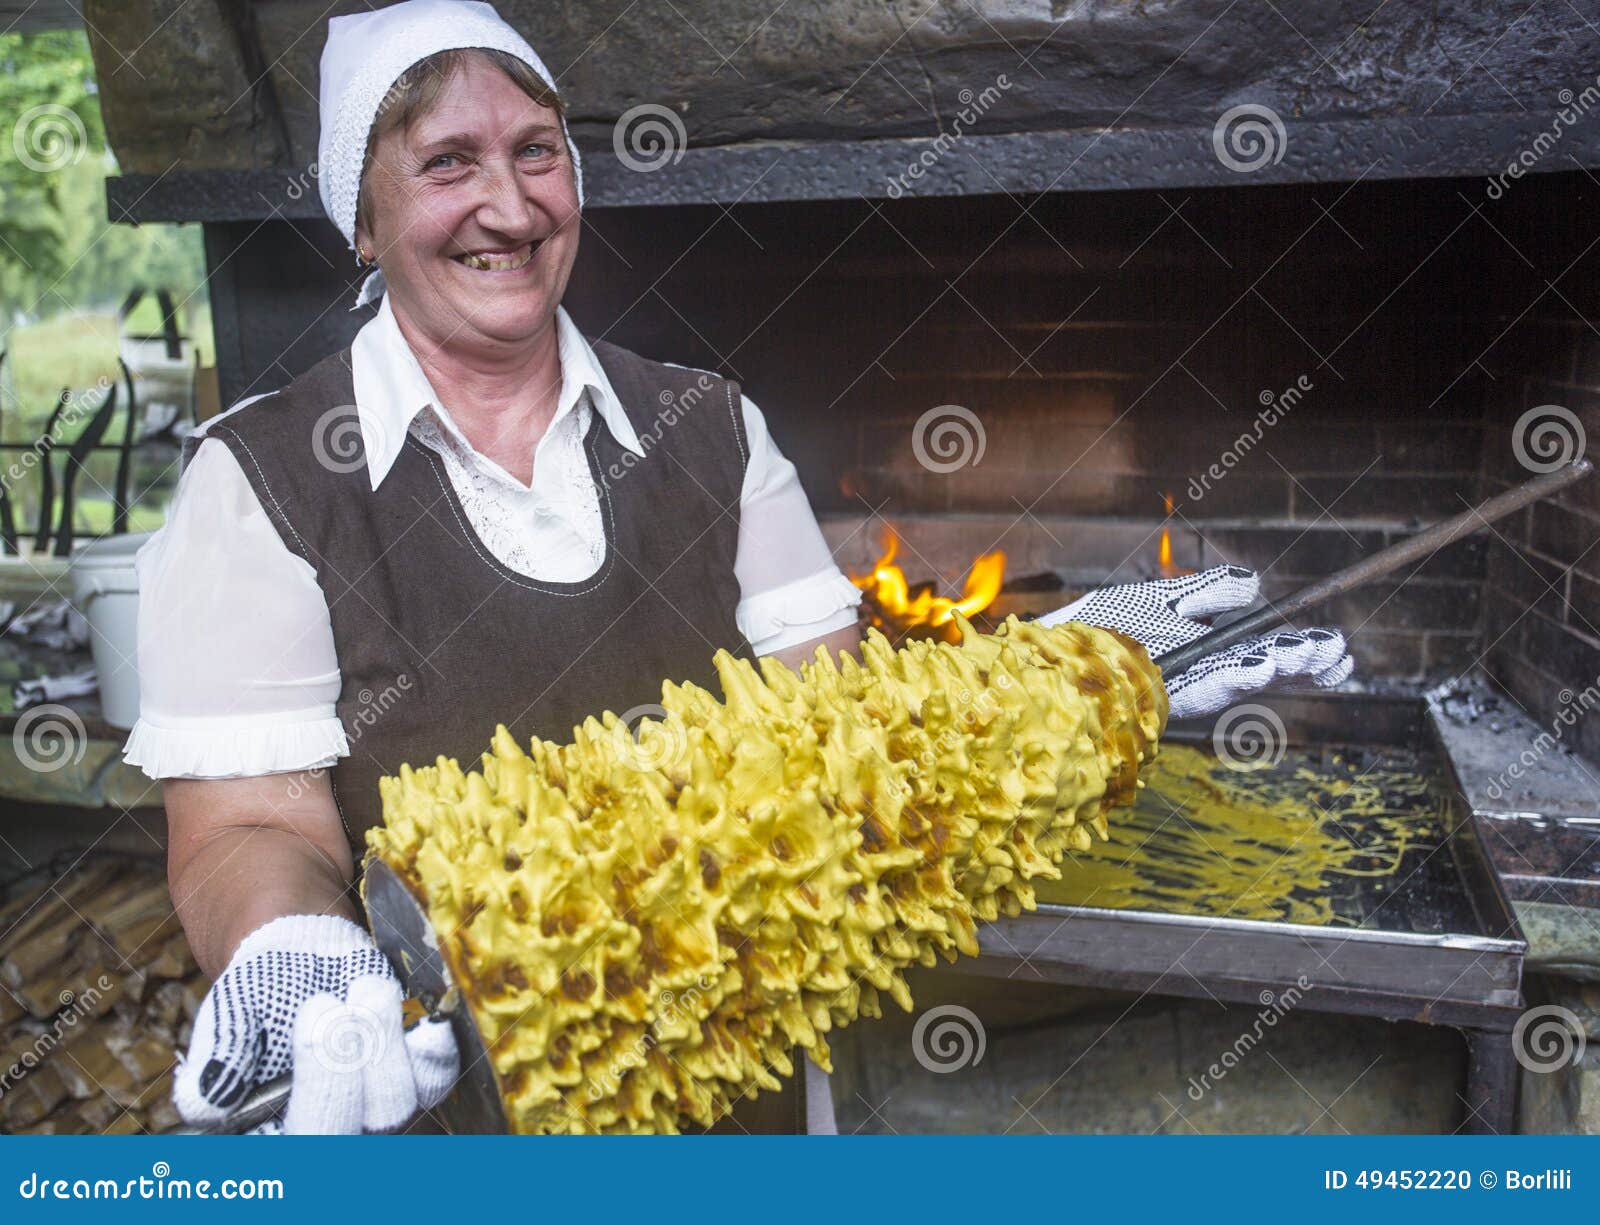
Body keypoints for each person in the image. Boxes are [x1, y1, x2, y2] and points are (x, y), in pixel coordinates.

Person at [126, 0, 1352, 1135]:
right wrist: (297, 953)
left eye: (538, 152)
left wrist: (1068, 667)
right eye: (448, 162)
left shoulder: (707, 426)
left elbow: (850, 728)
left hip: (719, 1099)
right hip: (433, 1106)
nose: (509, 205)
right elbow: (243, 825)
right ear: (361, 217)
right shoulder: (262, 481)